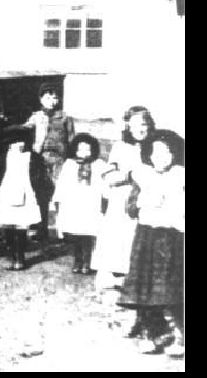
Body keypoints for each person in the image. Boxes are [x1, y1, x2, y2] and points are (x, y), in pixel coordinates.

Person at [120, 130, 184, 357]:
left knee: (173, 287)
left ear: (175, 155)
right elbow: (130, 209)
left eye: (167, 152)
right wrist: (143, 202)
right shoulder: (144, 176)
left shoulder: (180, 176)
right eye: (156, 152)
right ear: (149, 155)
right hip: (147, 238)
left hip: (175, 239)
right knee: (145, 287)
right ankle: (151, 332)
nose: (162, 157)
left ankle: (180, 335)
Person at [95, 106, 157, 297]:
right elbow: (108, 176)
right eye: (135, 124)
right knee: (120, 239)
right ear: (128, 126)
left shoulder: (156, 147)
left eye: (144, 124)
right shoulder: (120, 147)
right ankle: (115, 282)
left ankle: (139, 282)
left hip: (146, 199)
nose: (140, 129)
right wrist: (129, 174)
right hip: (122, 199)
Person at [0, 124, 48, 271]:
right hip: (6, 193)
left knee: (21, 228)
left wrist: (37, 191)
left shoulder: (32, 157)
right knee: (7, 226)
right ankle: (12, 255)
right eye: (15, 142)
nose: (19, 145)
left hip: (25, 193)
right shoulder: (3, 157)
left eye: (22, 142)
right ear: (9, 144)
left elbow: (39, 176)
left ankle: (20, 258)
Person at [51, 133, 107, 275]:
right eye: (80, 149)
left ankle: (87, 262)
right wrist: (58, 200)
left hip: (91, 205)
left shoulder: (98, 164)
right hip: (74, 205)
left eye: (87, 150)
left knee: (88, 235)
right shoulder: (69, 164)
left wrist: (104, 199)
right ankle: (78, 260)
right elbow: (62, 184)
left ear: (93, 150)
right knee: (75, 235)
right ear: (75, 150)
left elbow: (104, 184)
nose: (84, 153)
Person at [25, 82, 75, 241]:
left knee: (60, 193)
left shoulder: (65, 118)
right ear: (41, 99)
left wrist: (71, 159)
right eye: (47, 97)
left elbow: (72, 140)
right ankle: (42, 228)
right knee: (41, 194)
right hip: (41, 159)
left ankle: (63, 230)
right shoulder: (36, 117)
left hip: (59, 160)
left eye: (54, 97)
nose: (51, 101)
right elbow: (24, 130)